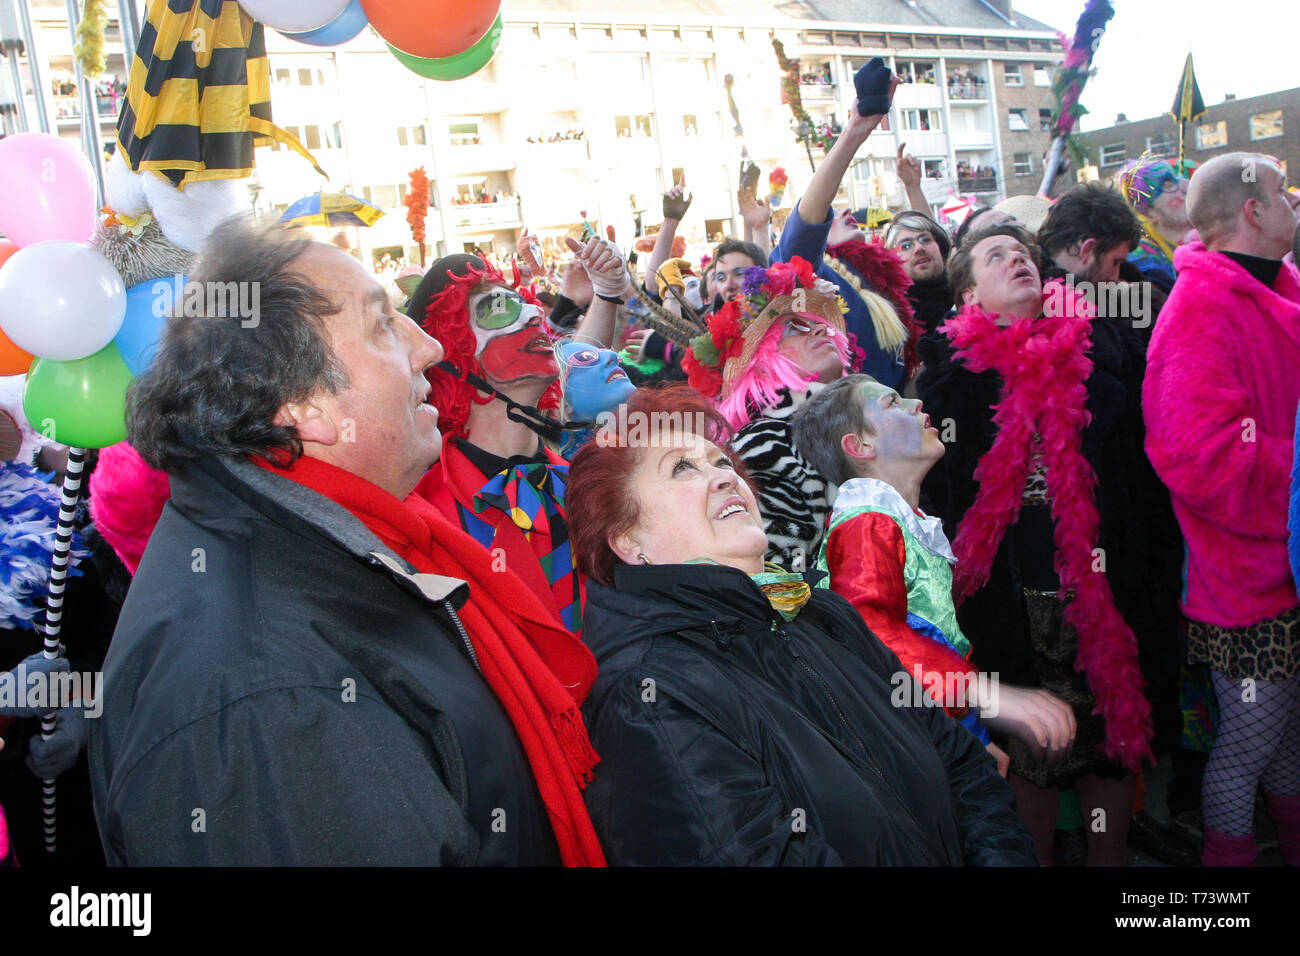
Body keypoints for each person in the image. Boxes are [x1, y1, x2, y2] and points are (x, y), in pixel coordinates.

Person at [91, 220, 605, 865]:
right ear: (305, 407)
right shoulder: (269, 700)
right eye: (382, 325)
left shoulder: (335, 547)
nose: (428, 349)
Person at [566, 385, 1035, 865]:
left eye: (723, 462)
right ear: (627, 539)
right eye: (682, 468)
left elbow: (962, 763)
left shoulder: (824, 614)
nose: (726, 478)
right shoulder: (647, 696)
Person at [918, 221, 1169, 865]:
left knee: (1111, 744)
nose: (1017, 261)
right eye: (995, 257)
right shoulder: (951, 384)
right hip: (1006, 593)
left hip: (1103, 584)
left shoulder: (1100, 349)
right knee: (1031, 757)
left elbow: (1142, 481)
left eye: (1023, 253)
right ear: (969, 297)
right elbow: (942, 504)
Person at [793, 374, 1078, 780]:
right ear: (861, 447)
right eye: (892, 404)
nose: (917, 406)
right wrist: (980, 692)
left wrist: (970, 736)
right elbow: (866, 630)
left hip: (924, 720)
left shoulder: (895, 519)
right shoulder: (867, 521)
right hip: (900, 733)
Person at [1144, 152, 1300, 867]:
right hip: (1245, 582)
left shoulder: (1283, 285)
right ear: (1254, 212)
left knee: (1291, 740)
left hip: (1289, 567)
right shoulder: (1200, 309)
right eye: (1281, 192)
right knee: (1245, 749)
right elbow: (1199, 455)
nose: (1293, 200)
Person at [406, 239, 627, 635]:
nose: (530, 313)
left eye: (521, 300)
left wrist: (608, 292)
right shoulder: (423, 511)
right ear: (453, 355)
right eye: (496, 309)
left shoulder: (588, 483)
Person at [683, 257, 852, 568]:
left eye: (818, 323)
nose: (818, 330)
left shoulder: (860, 417)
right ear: (760, 363)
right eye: (795, 326)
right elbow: (778, 577)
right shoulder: (765, 442)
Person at [774, 69, 916, 388]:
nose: (846, 211)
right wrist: (855, 131)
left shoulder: (877, 281)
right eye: (832, 213)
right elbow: (800, 240)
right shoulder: (821, 280)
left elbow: (935, 246)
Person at [1118, 158, 1196, 295]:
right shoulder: (1145, 263)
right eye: (1168, 185)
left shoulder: (1210, 238)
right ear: (1148, 212)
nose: (1186, 186)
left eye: (1176, 178)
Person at [883, 210, 954, 335]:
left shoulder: (968, 293)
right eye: (906, 245)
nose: (919, 248)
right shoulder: (891, 316)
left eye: (925, 240)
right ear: (894, 261)